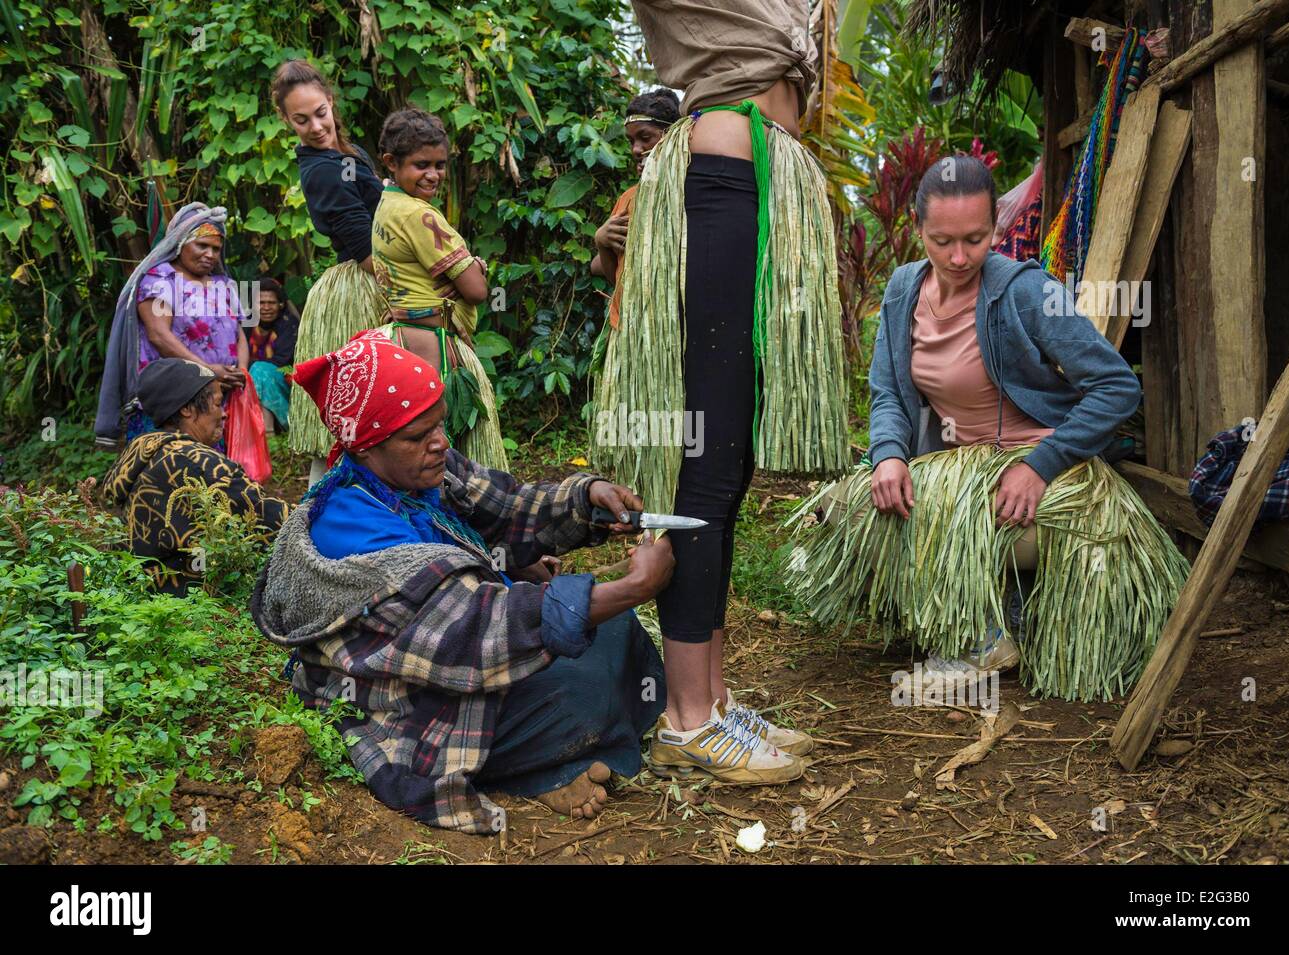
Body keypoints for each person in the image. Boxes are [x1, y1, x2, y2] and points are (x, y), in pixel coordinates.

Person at [250, 329, 687, 831]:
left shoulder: (416, 470)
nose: (439, 445)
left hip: (463, 647)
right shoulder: (354, 531)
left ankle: (558, 756)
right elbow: (476, 627)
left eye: (439, 428)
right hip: (405, 702)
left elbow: (506, 506)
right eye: (418, 437)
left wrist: (586, 500)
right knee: (583, 686)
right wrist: (634, 587)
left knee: (612, 631)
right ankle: (542, 768)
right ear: (366, 447)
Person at [791, 156, 1189, 703]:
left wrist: (1040, 465)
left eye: (976, 240)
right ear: (917, 229)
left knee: (990, 529)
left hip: (1037, 469)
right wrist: (887, 454)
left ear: (996, 228)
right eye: (942, 241)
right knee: (847, 511)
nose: (959, 257)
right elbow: (887, 393)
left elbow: (1117, 387)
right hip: (955, 467)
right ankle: (980, 613)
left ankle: (987, 633)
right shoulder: (903, 290)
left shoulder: (1026, 291)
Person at [592, 0, 852, 785]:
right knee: (704, 454)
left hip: (763, 182)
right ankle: (686, 719)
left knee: (728, 463)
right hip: (720, 183)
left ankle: (714, 698)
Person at [370, 107, 509, 470]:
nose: (433, 175)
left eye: (440, 165)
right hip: (432, 344)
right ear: (391, 162)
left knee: (408, 445)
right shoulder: (420, 215)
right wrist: (477, 266)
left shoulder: (387, 204)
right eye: (421, 165)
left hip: (401, 337)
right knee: (438, 452)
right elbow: (477, 290)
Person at [271, 59, 386, 484]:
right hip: (365, 282)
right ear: (286, 120)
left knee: (368, 408)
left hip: (370, 275)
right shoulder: (320, 170)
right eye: (301, 120)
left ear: (331, 102)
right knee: (348, 413)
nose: (316, 126)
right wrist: (406, 298)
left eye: (321, 113)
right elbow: (363, 244)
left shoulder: (350, 154)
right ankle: (319, 517)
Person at [103, 358, 288, 595]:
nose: (224, 414)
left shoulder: (139, 451)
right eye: (219, 403)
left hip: (134, 593)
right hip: (186, 602)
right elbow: (271, 521)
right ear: (187, 409)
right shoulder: (201, 463)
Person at [95, 203, 248, 446]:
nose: (210, 254)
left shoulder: (223, 284)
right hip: (172, 399)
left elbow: (239, 334)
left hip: (219, 396)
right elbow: (159, 335)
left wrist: (240, 372)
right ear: (179, 243)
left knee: (212, 473)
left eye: (216, 249)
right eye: (202, 245)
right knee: (167, 467)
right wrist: (207, 369)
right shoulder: (160, 279)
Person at [589, 87, 678, 334]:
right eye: (631, 141)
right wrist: (601, 241)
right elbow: (615, 274)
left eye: (645, 138)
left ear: (673, 135)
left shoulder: (691, 192)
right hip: (631, 328)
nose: (636, 149)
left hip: (674, 327)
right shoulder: (629, 199)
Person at [247, 277, 300, 433]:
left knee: (260, 371)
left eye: (271, 303)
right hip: (248, 378)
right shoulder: (246, 324)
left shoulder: (288, 324)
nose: (266, 307)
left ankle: (266, 433)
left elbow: (281, 362)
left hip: (283, 381)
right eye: (261, 303)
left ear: (280, 305)